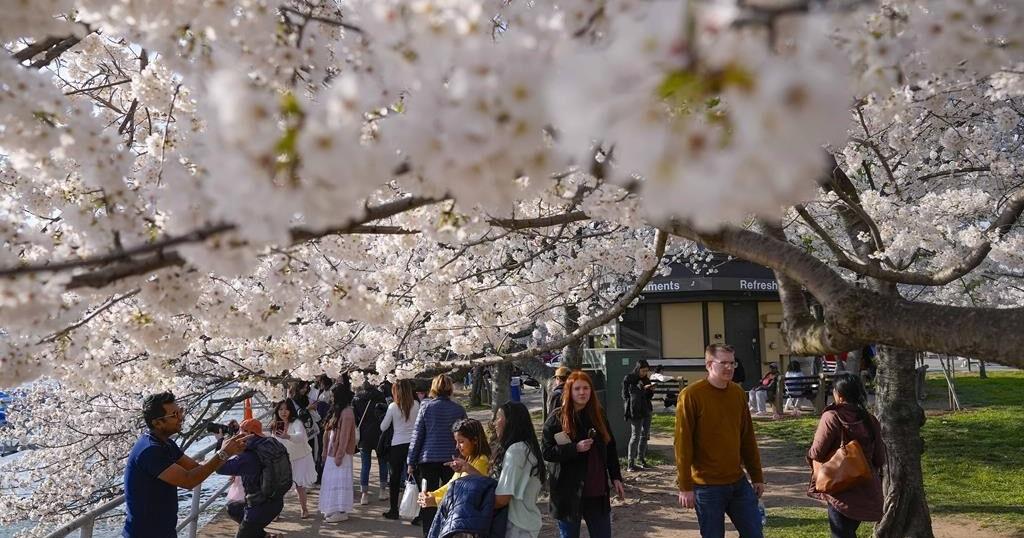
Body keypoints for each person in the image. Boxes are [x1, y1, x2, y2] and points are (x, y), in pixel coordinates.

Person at [123, 392, 250, 538]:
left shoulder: (166, 443)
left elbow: (195, 467)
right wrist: (223, 453)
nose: (181, 417)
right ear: (157, 423)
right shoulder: (149, 450)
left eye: (180, 411)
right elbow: (189, 480)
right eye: (174, 415)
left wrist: (227, 449)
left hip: (165, 531)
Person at [675, 343, 765, 538]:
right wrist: (685, 486)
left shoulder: (738, 393)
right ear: (709, 364)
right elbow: (683, 443)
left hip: (737, 481)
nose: (729, 367)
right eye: (723, 362)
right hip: (706, 485)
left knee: (754, 532)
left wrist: (756, 476)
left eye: (732, 363)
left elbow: (747, 437)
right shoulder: (691, 395)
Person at [541, 371, 625, 538]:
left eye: (586, 388)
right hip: (568, 492)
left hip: (596, 491)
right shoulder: (557, 418)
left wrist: (616, 477)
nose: (582, 392)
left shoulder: (598, 414)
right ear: (569, 391)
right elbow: (546, 452)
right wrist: (574, 448)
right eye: (577, 388)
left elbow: (610, 447)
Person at [807, 373, 885, 538]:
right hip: (865, 487)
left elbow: (816, 452)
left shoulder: (832, 417)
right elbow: (880, 458)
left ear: (839, 394)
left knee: (841, 534)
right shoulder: (870, 419)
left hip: (839, 488)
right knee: (847, 532)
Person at [460, 400, 545, 538]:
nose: (494, 423)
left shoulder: (516, 451)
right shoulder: (526, 447)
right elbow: (499, 486)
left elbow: (502, 498)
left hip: (515, 526)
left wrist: (472, 506)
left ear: (511, 422)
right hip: (523, 523)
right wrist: (470, 469)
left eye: (498, 418)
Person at [407, 374, 468, 536]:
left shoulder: (426, 407)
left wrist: (411, 461)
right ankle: (448, 531)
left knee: (427, 499)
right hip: (451, 458)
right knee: (449, 497)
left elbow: (418, 435)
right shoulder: (458, 409)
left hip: (428, 458)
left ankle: (429, 533)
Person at [217, 418, 291, 538]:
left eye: (240, 434)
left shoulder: (249, 457)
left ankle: (254, 531)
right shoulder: (272, 444)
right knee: (232, 508)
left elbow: (220, 468)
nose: (237, 437)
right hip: (276, 501)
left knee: (245, 533)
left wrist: (224, 448)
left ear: (249, 435)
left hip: (258, 509)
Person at [418, 418, 491, 511]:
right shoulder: (468, 458)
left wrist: (436, 500)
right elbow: (451, 485)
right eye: (456, 442)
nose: (457, 446)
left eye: (461, 442)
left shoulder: (481, 461)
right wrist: (432, 495)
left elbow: (468, 497)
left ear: (475, 440)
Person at [269, 398, 318, 519]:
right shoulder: (275, 425)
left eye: (286, 409)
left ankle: (304, 509)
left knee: (299, 485)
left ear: (291, 410)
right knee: (280, 487)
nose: (283, 412)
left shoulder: (296, 422)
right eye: (280, 409)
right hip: (284, 460)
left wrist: (288, 436)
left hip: (300, 457)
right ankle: (276, 512)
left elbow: (301, 436)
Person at [381, 379, 421, 520]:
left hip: (397, 444)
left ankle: (394, 509)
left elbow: (383, 427)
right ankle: (420, 512)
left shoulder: (393, 407)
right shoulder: (416, 405)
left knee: (395, 478)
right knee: (416, 477)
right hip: (413, 444)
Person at [320, 388, 357, 523]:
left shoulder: (347, 413)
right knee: (331, 480)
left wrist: (339, 455)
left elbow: (345, 436)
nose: (331, 399)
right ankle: (332, 508)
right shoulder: (338, 411)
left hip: (341, 454)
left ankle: (340, 510)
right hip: (333, 451)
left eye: (333, 396)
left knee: (339, 480)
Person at [353, 380, 390, 505]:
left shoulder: (357, 398)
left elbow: (355, 417)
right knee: (382, 462)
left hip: (364, 435)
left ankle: (364, 494)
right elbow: (385, 413)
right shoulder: (380, 396)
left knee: (365, 465)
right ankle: (382, 491)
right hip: (379, 433)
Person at [621, 359, 655, 471]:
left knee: (645, 435)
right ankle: (630, 463)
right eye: (643, 371)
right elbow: (625, 395)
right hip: (635, 410)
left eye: (646, 371)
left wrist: (650, 390)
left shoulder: (646, 379)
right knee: (635, 436)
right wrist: (640, 390)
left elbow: (648, 396)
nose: (645, 373)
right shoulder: (629, 378)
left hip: (646, 409)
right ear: (638, 369)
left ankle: (641, 459)